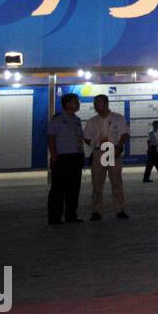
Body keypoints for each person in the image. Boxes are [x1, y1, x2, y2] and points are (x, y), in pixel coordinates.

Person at [83, 94, 130, 220]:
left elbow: (125, 134)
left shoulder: (118, 118)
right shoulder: (92, 121)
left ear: (106, 103)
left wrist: (119, 147)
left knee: (116, 182)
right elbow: (86, 137)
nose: (95, 106)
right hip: (99, 152)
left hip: (113, 151)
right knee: (97, 183)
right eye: (95, 103)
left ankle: (120, 209)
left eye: (98, 103)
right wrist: (96, 143)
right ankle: (96, 211)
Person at [47, 92, 86, 226]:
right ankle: (55, 217)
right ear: (68, 104)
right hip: (62, 158)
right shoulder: (57, 119)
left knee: (74, 188)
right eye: (76, 102)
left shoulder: (77, 120)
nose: (79, 104)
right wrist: (54, 155)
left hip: (75, 157)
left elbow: (80, 139)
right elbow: (51, 137)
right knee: (58, 189)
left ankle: (71, 215)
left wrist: (82, 155)